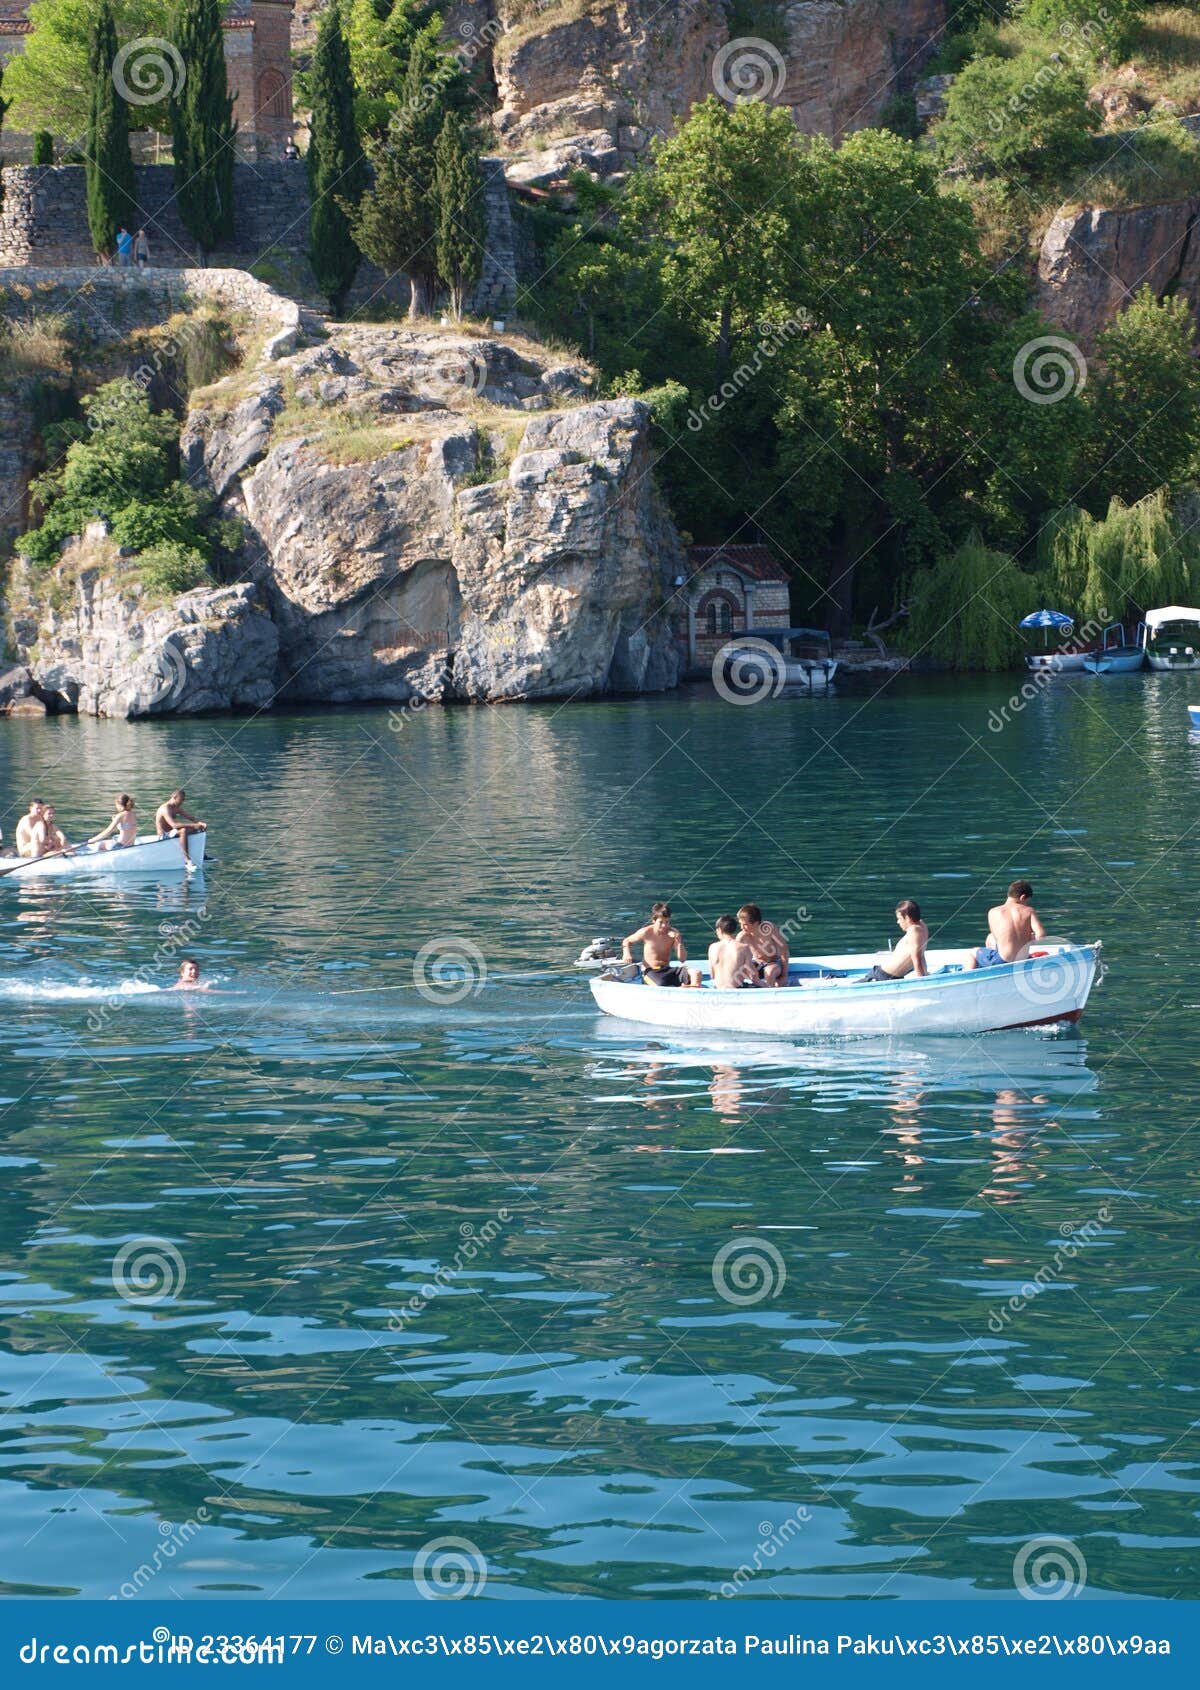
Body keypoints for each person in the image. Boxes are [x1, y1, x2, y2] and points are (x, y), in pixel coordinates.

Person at [965, 880, 1046, 969]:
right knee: (991, 938)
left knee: (973, 953)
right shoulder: (1028, 911)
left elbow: (996, 937)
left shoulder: (993, 912)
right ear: (1022, 897)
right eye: (1027, 901)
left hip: (1002, 961)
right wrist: (1030, 938)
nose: (1026, 904)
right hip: (1023, 959)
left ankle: (967, 976)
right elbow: (1041, 935)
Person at [622, 901, 699, 987]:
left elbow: (682, 959)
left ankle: (692, 991)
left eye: (667, 922)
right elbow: (626, 941)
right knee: (660, 984)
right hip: (650, 971)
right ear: (653, 920)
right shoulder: (646, 932)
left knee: (696, 974)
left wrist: (679, 941)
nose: (664, 925)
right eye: (660, 922)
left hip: (667, 969)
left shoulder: (674, 933)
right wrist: (627, 954)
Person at [863, 900, 929, 981]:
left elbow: (917, 958)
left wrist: (923, 980)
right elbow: (921, 954)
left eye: (899, 918)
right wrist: (925, 975)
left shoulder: (913, 930)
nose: (898, 922)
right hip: (881, 975)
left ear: (907, 918)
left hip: (884, 977)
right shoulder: (922, 926)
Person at [737, 903, 790, 987]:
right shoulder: (742, 936)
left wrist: (784, 975)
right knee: (738, 972)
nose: (741, 927)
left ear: (755, 923)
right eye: (740, 924)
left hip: (773, 963)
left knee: (769, 972)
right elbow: (734, 957)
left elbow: (784, 949)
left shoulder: (768, 928)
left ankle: (769, 994)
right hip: (756, 962)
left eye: (745, 924)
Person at [155, 789, 207, 866]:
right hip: (163, 835)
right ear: (174, 797)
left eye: (183, 800)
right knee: (183, 831)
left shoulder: (176, 807)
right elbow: (174, 825)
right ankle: (187, 860)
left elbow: (190, 817)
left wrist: (200, 823)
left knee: (199, 828)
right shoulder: (165, 808)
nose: (182, 802)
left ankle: (202, 855)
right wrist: (193, 825)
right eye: (181, 800)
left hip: (172, 832)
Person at [708, 914, 756, 989]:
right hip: (737, 988)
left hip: (718, 988)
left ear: (719, 930)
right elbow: (751, 975)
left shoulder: (712, 947)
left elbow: (712, 975)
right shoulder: (744, 947)